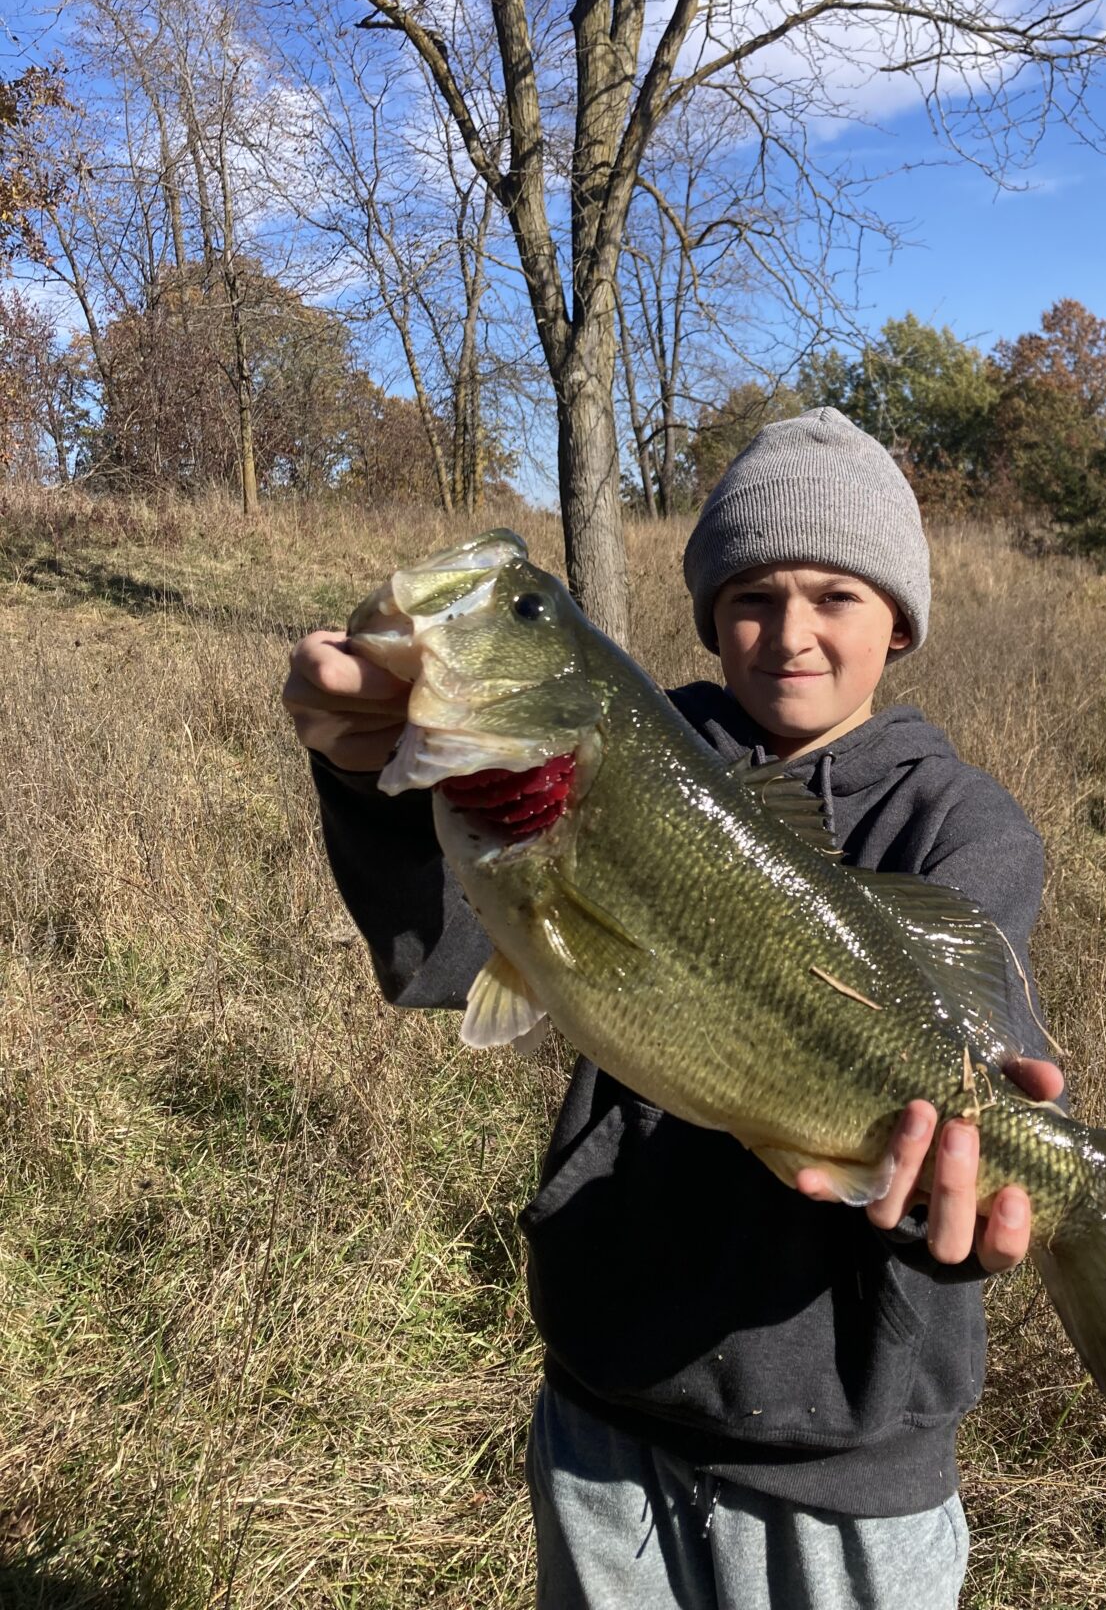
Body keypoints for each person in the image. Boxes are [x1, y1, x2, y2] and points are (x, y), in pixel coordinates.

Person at [284, 408, 1063, 1610]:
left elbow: (975, 1028)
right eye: (751, 596)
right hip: (608, 1402)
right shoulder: (640, 744)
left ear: (899, 622)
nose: (790, 633)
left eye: (835, 597)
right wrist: (365, 776)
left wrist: (965, 1180)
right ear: (706, 615)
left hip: (847, 1456)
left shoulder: (963, 824)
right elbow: (442, 959)